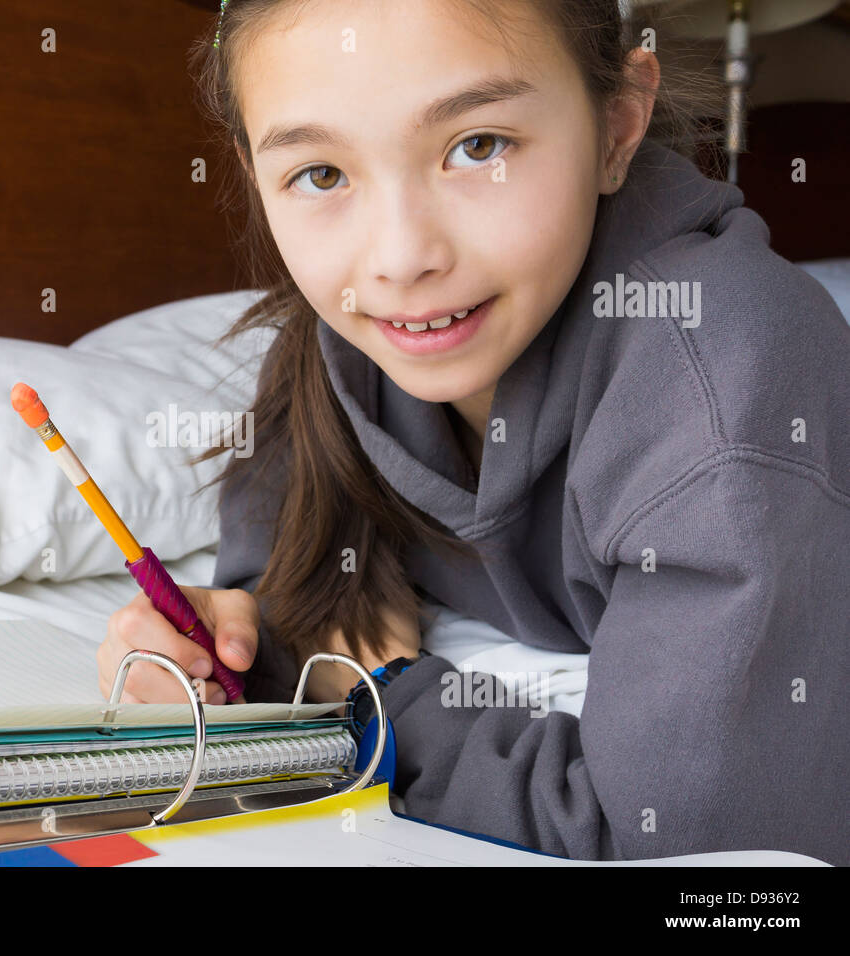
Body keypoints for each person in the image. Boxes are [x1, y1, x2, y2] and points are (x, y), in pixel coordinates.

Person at [97, 0, 850, 863]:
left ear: (617, 125)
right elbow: (278, 599)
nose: (400, 256)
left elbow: (701, 845)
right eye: (321, 175)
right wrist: (217, 650)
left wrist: (373, 702)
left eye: (478, 146)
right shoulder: (335, 359)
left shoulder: (730, 378)